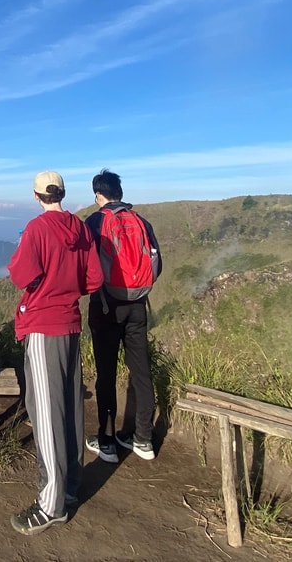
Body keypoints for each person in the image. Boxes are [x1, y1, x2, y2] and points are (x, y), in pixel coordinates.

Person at [7, 171, 103, 535]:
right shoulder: (80, 229)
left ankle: (50, 505)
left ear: (36, 196)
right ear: (63, 193)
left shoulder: (36, 229)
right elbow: (93, 280)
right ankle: (71, 488)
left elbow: (21, 276)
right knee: (70, 407)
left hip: (43, 325)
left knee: (46, 412)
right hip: (71, 324)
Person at [82, 170, 163, 464]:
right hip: (138, 305)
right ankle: (143, 439)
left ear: (98, 195)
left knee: (106, 373)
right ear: (120, 192)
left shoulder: (95, 221)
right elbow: (157, 264)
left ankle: (106, 443)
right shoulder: (141, 221)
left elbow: (85, 266)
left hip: (105, 306)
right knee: (141, 371)